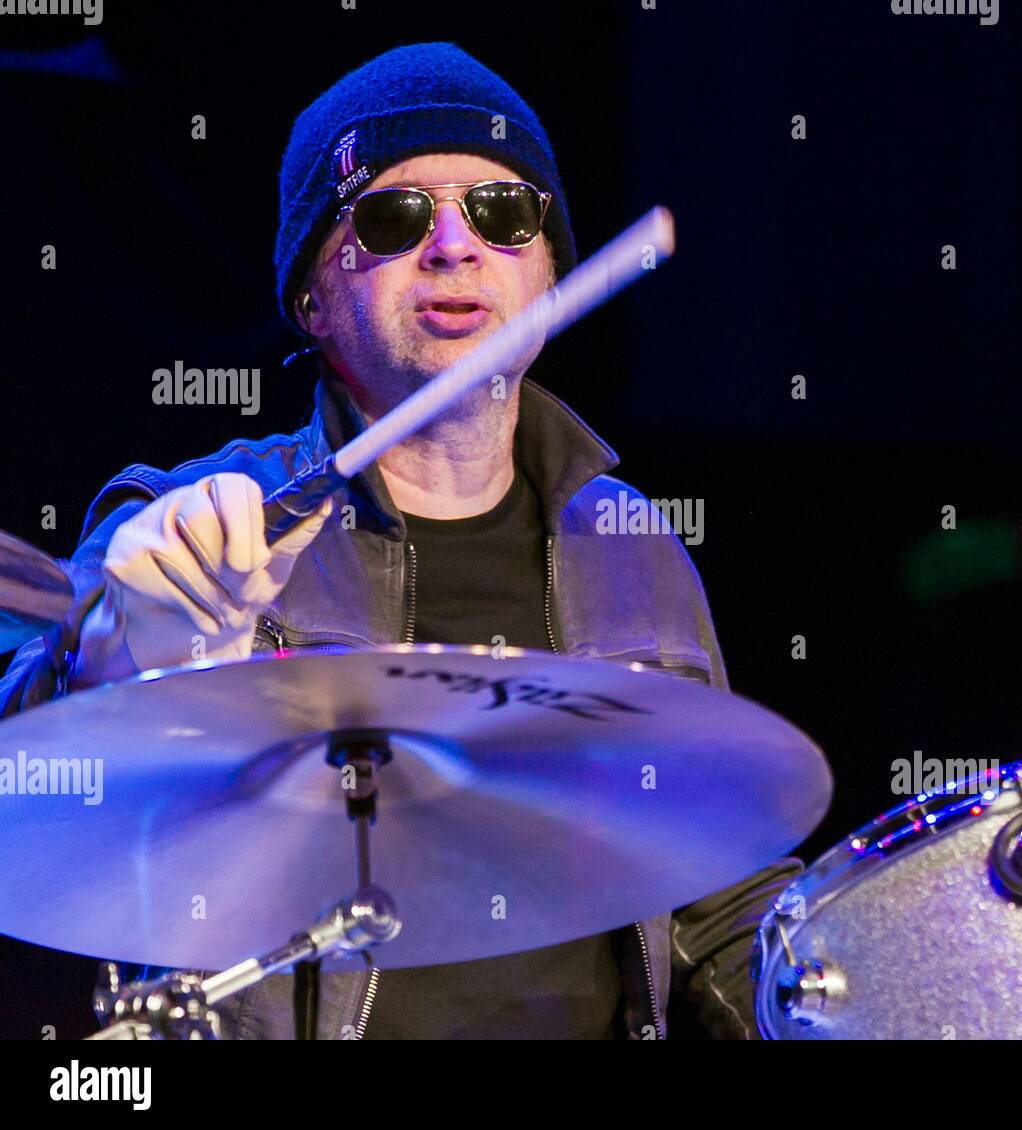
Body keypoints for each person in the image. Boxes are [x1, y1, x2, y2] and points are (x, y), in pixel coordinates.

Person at [0, 42, 801, 1039]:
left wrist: (859, 985)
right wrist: (122, 649)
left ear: (550, 267)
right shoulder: (201, 511)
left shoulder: (636, 549)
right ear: (310, 296)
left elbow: (716, 899)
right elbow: (27, 757)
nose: (457, 247)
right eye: (393, 217)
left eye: (505, 214)